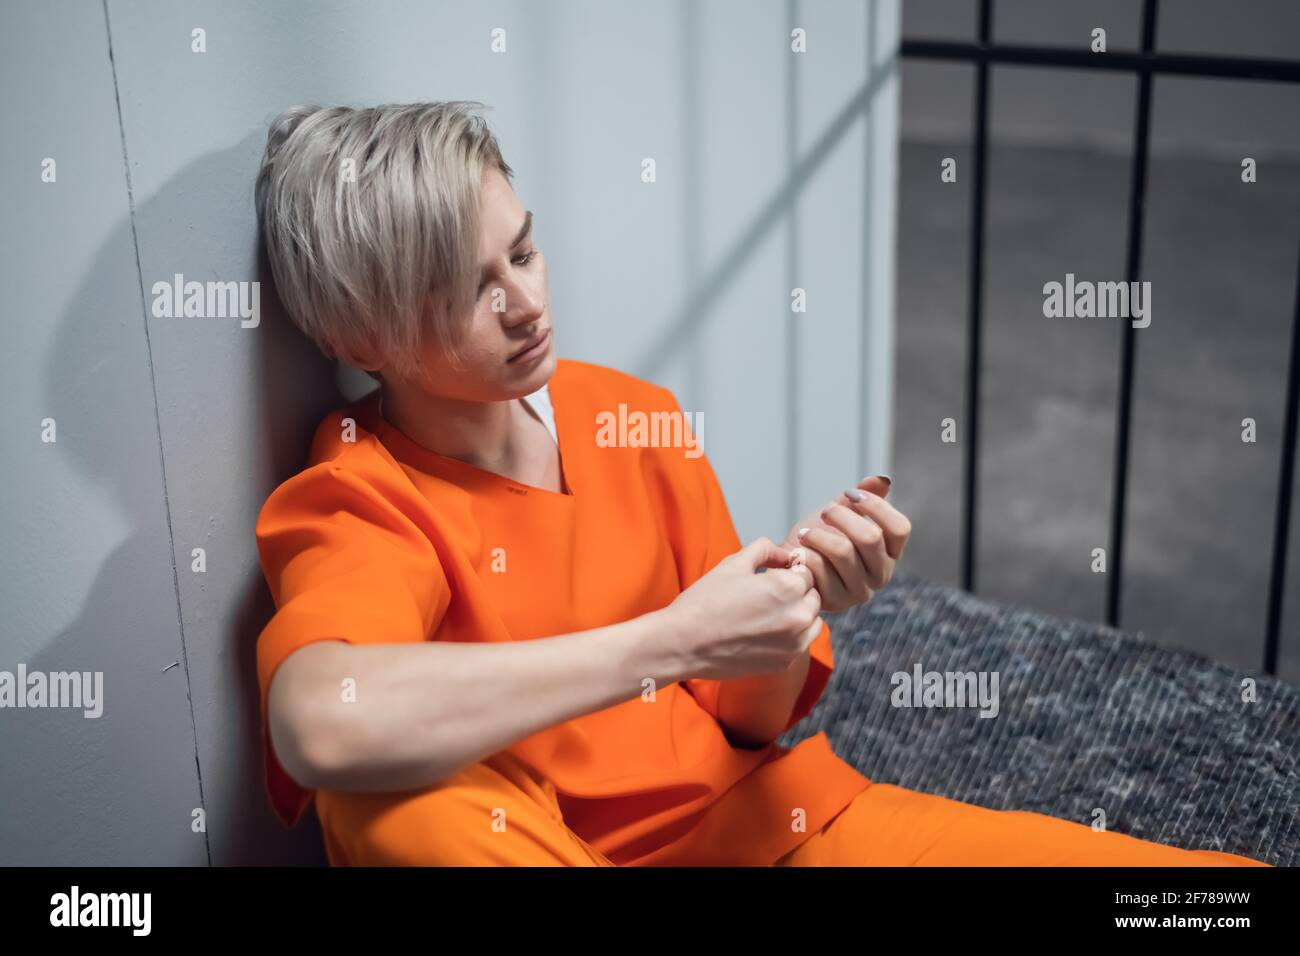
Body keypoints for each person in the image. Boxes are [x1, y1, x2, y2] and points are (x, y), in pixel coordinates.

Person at [251, 100, 1269, 867]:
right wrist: (670, 638)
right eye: (468, 290)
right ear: (357, 336)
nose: (525, 303)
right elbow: (320, 720)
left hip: (772, 829)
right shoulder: (360, 487)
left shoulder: (623, 412)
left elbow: (750, 718)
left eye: (523, 250)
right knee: (382, 804)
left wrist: (789, 606)